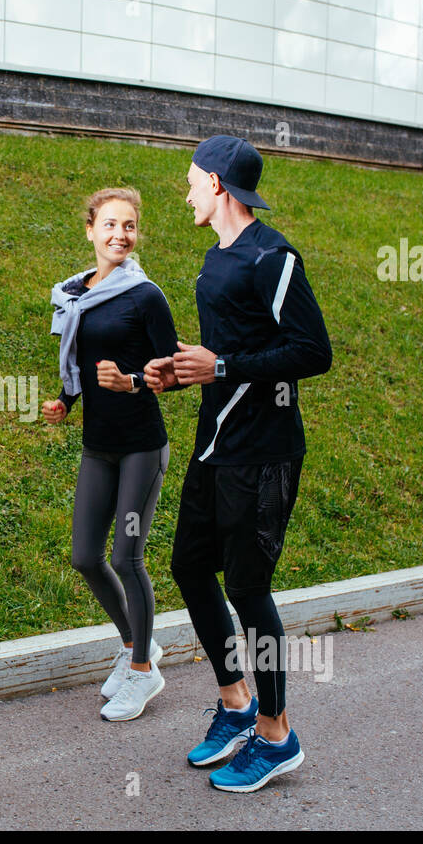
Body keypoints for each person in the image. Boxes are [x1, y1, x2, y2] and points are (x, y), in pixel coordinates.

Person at [145, 136, 332, 790]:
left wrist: (222, 366)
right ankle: (235, 703)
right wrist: (181, 372)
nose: (187, 190)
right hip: (216, 446)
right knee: (189, 568)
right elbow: (222, 353)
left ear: (220, 184)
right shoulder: (213, 259)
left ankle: (277, 735)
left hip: (264, 453)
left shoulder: (272, 258)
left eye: (194, 179)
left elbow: (312, 350)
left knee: (248, 591)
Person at [43, 187, 183, 722]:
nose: (119, 234)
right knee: (85, 556)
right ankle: (134, 647)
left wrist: (131, 383)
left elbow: (175, 371)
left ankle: (145, 674)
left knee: (127, 557)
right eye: (109, 224)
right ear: (90, 230)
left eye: (128, 226)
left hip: (141, 447)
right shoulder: (77, 294)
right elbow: (79, 364)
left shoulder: (145, 296)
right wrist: (65, 400)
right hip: (98, 446)